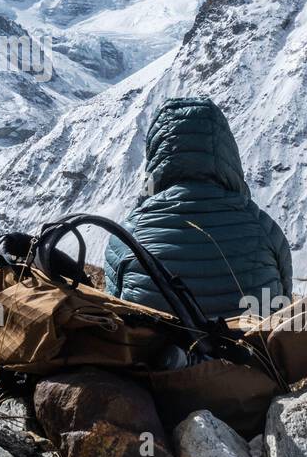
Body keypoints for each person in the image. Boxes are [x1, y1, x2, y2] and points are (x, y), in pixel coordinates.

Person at [104, 97, 292, 321]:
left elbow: (115, 316)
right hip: (252, 354)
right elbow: (284, 310)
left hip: (156, 356)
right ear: (227, 153)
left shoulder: (128, 236)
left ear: (156, 156)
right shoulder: (265, 230)